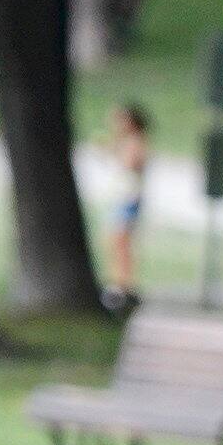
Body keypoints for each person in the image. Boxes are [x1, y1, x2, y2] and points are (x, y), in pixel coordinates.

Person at [100, 103, 150, 309]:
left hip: (128, 199)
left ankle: (124, 286)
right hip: (121, 197)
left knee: (121, 243)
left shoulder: (136, 142)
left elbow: (130, 164)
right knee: (114, 242)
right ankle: (118, 283)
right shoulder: (126, 142)